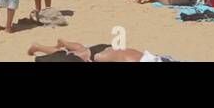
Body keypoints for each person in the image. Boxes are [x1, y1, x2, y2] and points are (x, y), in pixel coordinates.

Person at [27, 39, 175, 62]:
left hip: (107, 48)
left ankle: (64, 42)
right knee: (77, 54)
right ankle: (39, 47)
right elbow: (98, 58)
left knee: (83, 49)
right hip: (100, 54)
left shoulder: (151, 57)